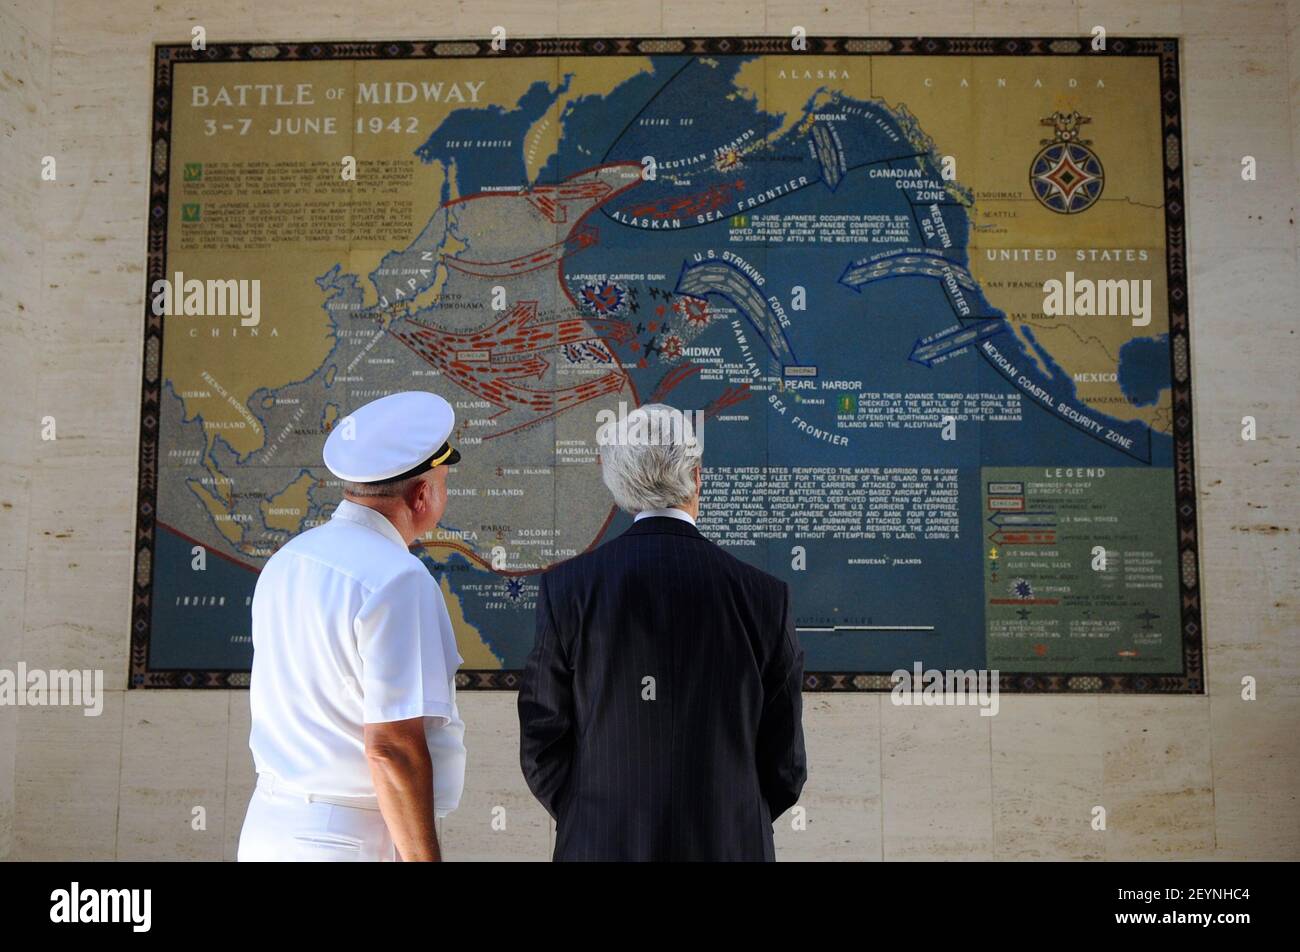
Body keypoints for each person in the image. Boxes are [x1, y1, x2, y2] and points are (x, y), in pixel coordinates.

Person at [518, 403, 807, 861]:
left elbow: (542, 739)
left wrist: (591, 817)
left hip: (600, 845)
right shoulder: (766, 597)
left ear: (619, 485)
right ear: (697, 477)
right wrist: (733, 819)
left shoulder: (567, 589)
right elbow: (785, 761)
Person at [238, 391, 466, 862]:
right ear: (422, 495)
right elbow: (392, 749)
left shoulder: (288, 559)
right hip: (349, 837)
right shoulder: (398, 578)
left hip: (268, 827)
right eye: (443, 482)